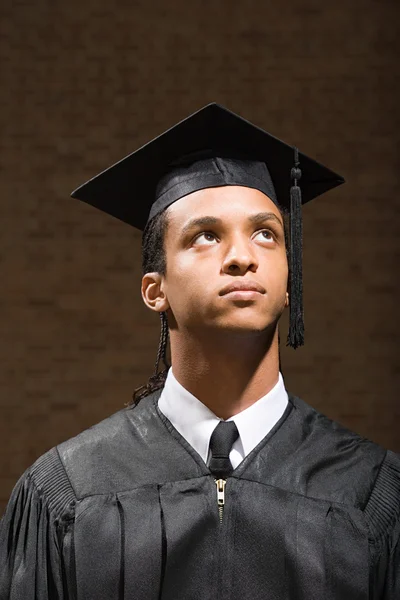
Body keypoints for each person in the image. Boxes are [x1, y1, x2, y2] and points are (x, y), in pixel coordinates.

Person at [0, 103, 399, 600]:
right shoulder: (67, 491)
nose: (242, 256)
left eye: (266, 234)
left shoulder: (371, 489)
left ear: (289, 284)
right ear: (154, 290)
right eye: (206, 236)